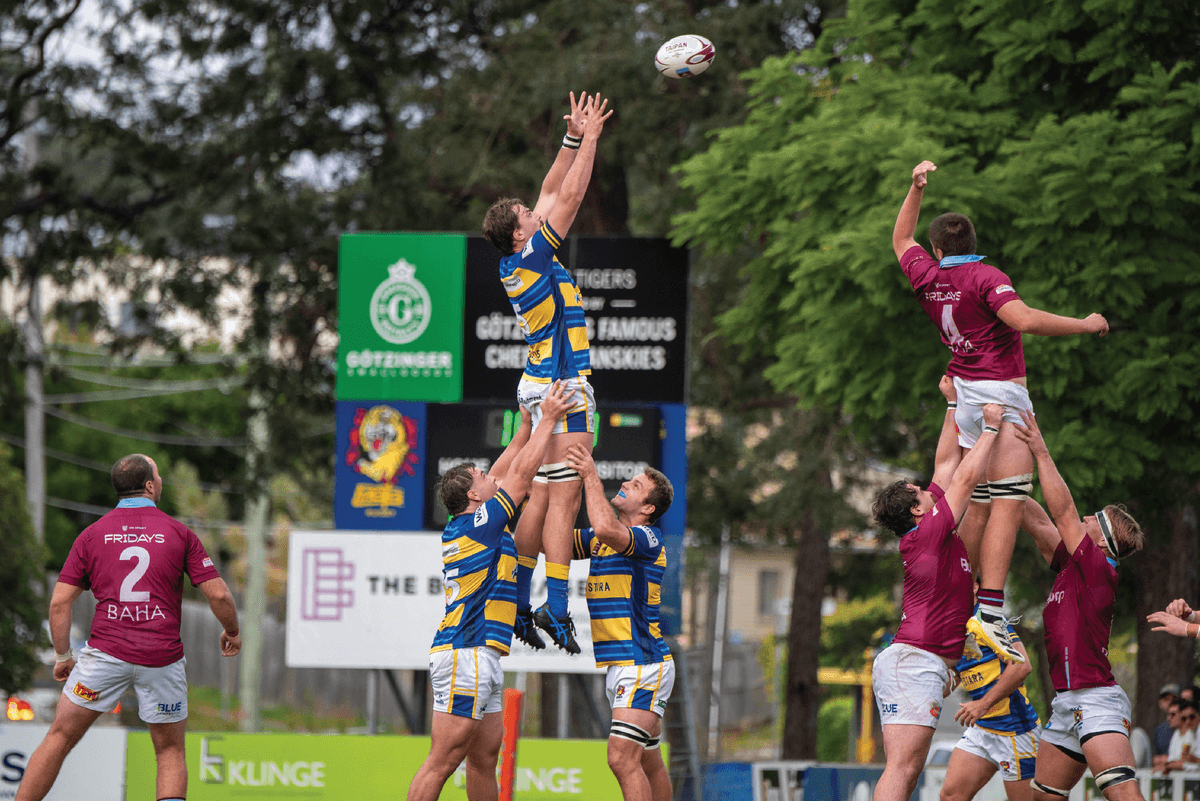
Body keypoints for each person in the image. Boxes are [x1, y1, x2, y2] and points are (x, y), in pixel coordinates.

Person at [892, 160, 1109, 662]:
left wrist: (915, 187)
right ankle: (989, 609)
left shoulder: (927, 275)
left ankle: (961, 597)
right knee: (1008, 502)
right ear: (974, 242)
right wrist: (1085, 322)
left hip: (965, 394)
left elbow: (903, 240)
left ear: (939, 250)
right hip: (1000, 395)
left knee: (981, 500)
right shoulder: (985, 275)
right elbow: (1023, 319)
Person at [15, 454, 240, 801]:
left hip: (104, 658)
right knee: (169, 752)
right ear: (150, 485)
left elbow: (59, 603)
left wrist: (63, 656)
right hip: (162, 661)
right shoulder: (179, 533)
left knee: (59, 737)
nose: (161, 480)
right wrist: (232, 631)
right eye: (159, 475)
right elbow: (220, 595)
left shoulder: (91, 535)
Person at [480, 92, 615, 654]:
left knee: (538, 498)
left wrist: (569, 138)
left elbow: (550, 188)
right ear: (520, 234)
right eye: (528, 218)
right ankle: (556, 608)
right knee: (563, 501)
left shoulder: (520, 254)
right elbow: (573, 193)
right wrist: (592, 142)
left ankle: (514, 600)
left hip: (537, 381)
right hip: (561, 385)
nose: (537, 214)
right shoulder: (535, 254)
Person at [407, 382, 574, 801]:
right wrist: (549, 418)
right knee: (443, 760)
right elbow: (517, 477)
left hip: (483, 653)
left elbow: (504, 471)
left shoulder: (478, 521)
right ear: (472, 495)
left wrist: (524, 425)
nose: (490, 476)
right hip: (467, 651)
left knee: (484, 759)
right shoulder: (479, 525)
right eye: (483, 477)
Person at [869, 378, 1005, 801]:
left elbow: (946, 465)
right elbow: (962, 479)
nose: (931, 490)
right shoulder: (929, 531)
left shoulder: (932, 531)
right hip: (914, 662)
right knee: (903, 768)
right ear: (915, 509)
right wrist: (991, 429)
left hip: (918, 664)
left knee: (907, 772)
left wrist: (951, 404)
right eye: (922, 493)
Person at [1010, 410, 1147, 801]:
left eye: (1095, 519)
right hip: (1066, 699)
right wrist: (1001, 479)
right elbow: (1036, 521)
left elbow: (1064, 513)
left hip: (1095, 697)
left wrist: (1040, 450)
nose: (1087, 516)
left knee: (1121, 793)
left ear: (1101, 541)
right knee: (1044, 797)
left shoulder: (1098, 566)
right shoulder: (1074, 563)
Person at [563, 443, 674, 801]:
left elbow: (607, 529)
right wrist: (543, 491)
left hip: (643, 665)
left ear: (648, 508)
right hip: (624, 666)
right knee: (648, 763)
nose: (626, 483)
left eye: (636, 485)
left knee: (621, 759)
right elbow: (556, 543)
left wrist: (589, 474)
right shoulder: (602, 539)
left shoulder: (647, 538)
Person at [940, 593, 1041, 801]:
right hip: (982, 730)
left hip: (1015, 732)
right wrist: (922, 696)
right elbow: (958, 675)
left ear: (976, 587)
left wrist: (983, 704)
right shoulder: (952, 625)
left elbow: (1021, 665)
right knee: (951, 796)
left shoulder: (988, 620)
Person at [1154, 685, 1182, 764]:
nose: (1170, 702)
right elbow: (1156, 758)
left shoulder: (1190, 727)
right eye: (1165, 699)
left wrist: (1168, 760)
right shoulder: (1160, 730)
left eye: (1174, 699)